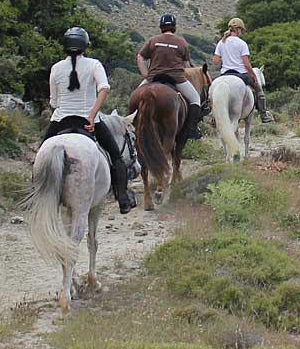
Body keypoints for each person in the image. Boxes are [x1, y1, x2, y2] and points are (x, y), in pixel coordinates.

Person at [44, 27, 136, 214]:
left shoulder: (56, 68)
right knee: (115, 156)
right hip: (87, 120)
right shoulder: (94, 65)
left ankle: (35, 193)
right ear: (85, 46)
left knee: (42, 154)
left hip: (60, 121)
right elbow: (104, 88)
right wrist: (92, 115)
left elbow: (54, 102)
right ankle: (123, 198)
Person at [136, 13, 206, 139]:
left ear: (161, 26)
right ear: (174, 26)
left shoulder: (153, 40)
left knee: (135, 96)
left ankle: (131, 125)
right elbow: (185, 65)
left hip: (154, 78)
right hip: (177, 79)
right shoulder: (182, 42)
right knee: (195, 99)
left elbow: (140, 57)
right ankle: (191, 129)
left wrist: (146, 74)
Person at [214, 17, 274, 123]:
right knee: (259, 90)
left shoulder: (221, 42)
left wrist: (227, 57)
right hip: (240, 74)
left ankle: (214, 117)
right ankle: (264, 115)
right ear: (239, 29)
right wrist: (254, 75)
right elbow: (246, 64)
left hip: (224, 74)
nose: (242, 32)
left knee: (213, 91)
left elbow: (216, 61)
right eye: (242, 30)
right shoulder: (242, 43)